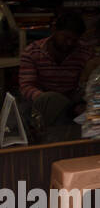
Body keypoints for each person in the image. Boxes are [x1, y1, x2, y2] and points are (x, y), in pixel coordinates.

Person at [18, 12, 92, 142]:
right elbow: (26, 86)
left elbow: (87, 83)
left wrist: (78, 102)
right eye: (65, 37)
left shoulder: (85, 53)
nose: (69, 43)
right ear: (54, 31)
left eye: (74, 40)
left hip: (71, 102)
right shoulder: (32, 52)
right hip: (39, 101)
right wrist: (49, 100)